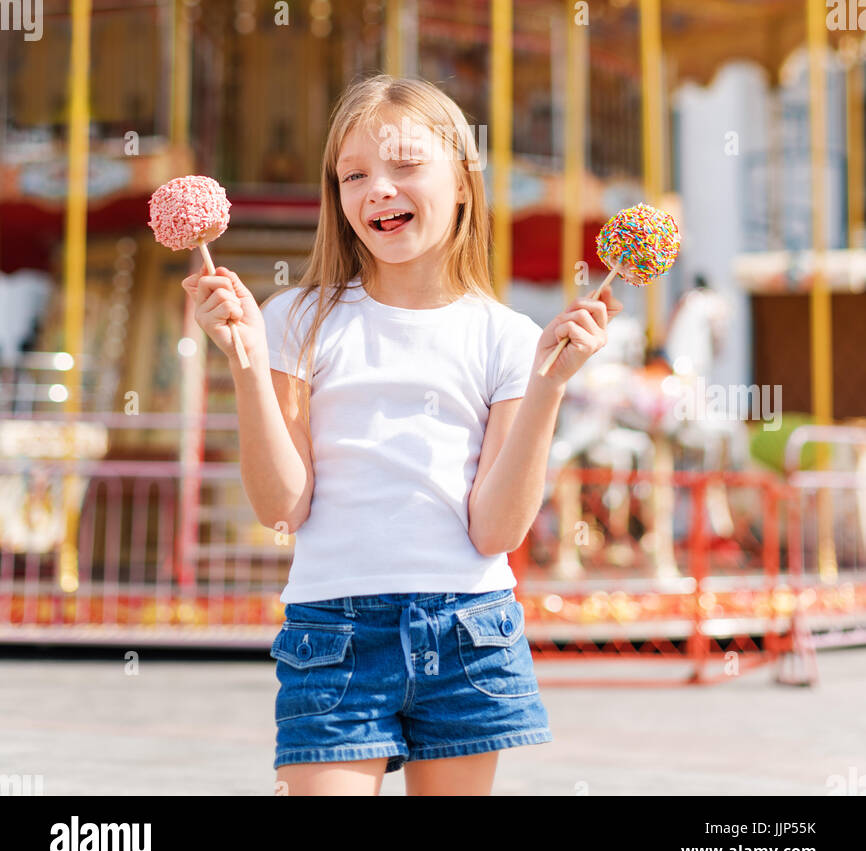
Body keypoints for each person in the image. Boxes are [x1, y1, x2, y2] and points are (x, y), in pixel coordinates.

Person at [183, 74, 621, 797]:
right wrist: (247, 364)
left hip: (470, 631)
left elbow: (496, 531)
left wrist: (549, 385)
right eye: (354, 175)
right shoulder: (294, 318)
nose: (378, 189)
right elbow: (281, 507)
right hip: (334, 632)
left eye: (406, 165)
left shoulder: (508, 337)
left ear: (462, 183)